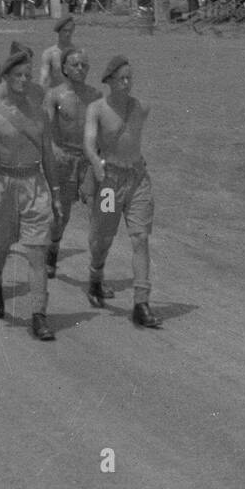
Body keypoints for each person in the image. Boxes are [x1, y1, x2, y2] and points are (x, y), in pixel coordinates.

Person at [0, 52, 57, 341]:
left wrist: (56, 193)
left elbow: (47, 155)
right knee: (0, 247)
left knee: (37, 252)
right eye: (18, 75)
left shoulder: (40, 113)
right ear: (6, 78)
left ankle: (39, 315)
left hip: (35, 185)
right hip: (5, 184)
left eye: (27, 75)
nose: (24, 80)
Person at [83, 56, 161, 327]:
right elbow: (89, 143)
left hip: (137, 179)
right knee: (102, 238)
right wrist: (96, 163)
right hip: (109, 183)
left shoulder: (141, 107)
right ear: (109, 81)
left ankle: (141, 303)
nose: (126, 84)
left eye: (129, 78)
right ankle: (96, 276)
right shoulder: (97, 109)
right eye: (121, 79)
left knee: (140, 237)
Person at [43, 46, 99, 278]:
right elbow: (45, 130)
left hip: (89, 162)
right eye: (75, 65)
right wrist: (50, 154)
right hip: (63, 161)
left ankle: (96, 276)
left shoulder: (95, 96)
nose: (80, 69)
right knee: (61, 215)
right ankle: (51, 253)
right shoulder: (55, 95)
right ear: (64, 68)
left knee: (99, 216)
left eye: (84, 65)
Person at [39, 15, 76, 91]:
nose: (68, 34)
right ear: (59, 32)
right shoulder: (49, 53)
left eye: (70, 31)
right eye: (65, 31)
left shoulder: (77, 53)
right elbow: (44, 77)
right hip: (55, 93)